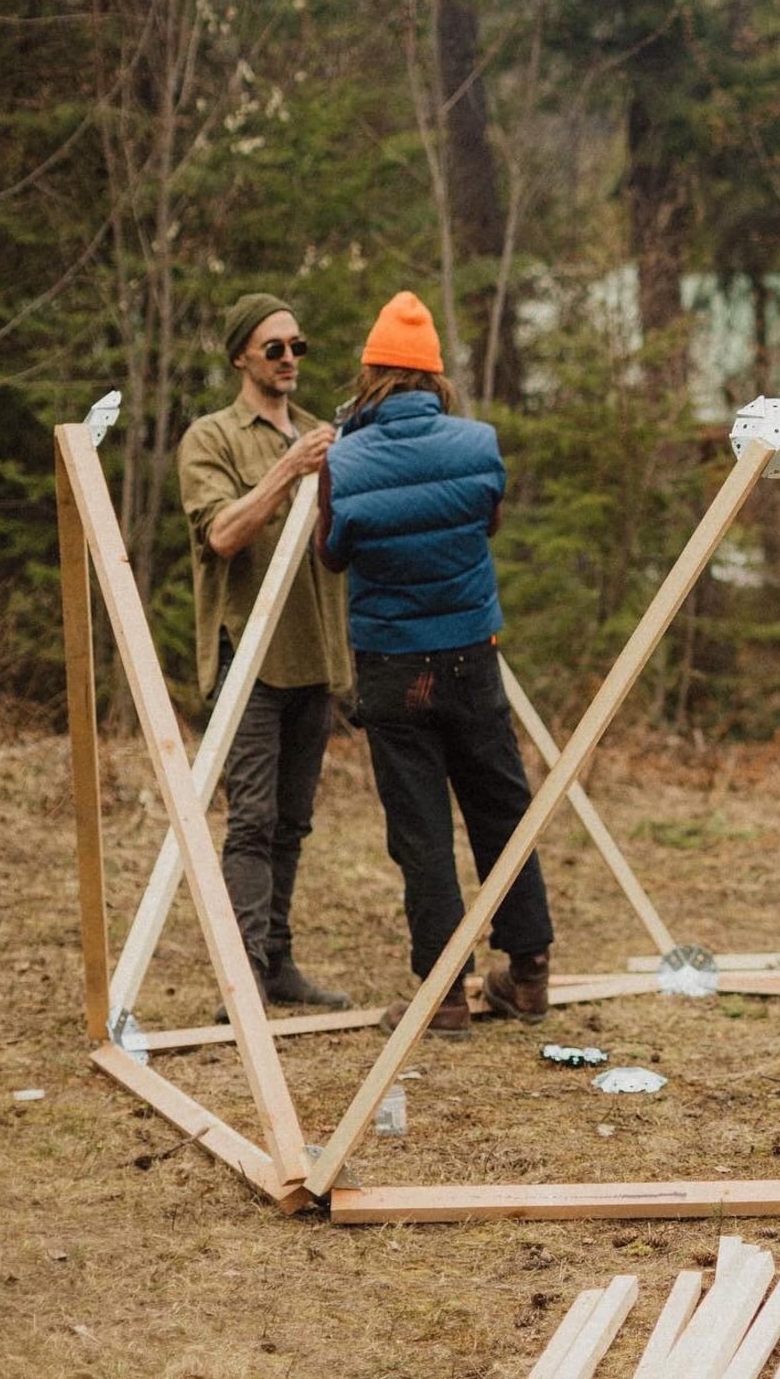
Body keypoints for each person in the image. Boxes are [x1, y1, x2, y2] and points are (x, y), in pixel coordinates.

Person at [317, 291, 553, 1035]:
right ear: (434, 378)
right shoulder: (479, 444)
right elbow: (486, 521)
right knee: (501, 808)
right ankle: (529, 973)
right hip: (469, 657)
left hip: (393, 665)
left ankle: (444, 993)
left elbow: (332, 554)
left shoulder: (343, 458)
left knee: (420, 826)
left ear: (372, 378)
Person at [177, 292, 353, 1017]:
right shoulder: (210, 437)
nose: (289, 360)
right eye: (274, 348)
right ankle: (241, 979)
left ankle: (277, 963)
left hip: (313, 654)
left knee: (293, 820)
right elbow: (221, 536)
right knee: (250, 820)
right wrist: (289, 471)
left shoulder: (322, 433)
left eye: (297, 347)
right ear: (242, 355)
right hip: (246, 658)